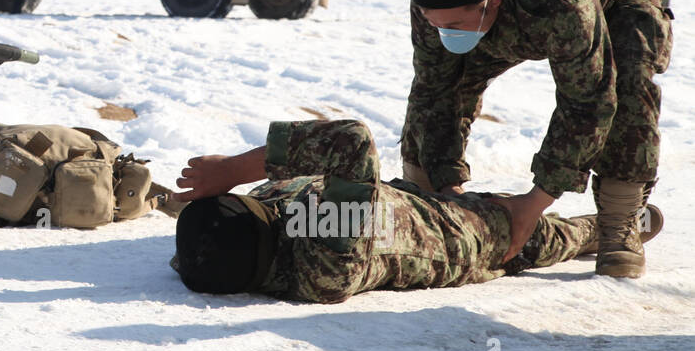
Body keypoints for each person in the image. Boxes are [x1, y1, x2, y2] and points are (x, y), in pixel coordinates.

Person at [399, 0, 671, 278]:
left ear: (491, 0)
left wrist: (534, 204)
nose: (447, 33)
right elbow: (435, 91)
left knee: (628, 83)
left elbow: (588, 100)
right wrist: (446, 182)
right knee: (444, 83)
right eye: (439, 24)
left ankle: (620, 224)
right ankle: (425, 189)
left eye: (457, 25)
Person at [171, 118, 662, 302]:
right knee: (542, 237)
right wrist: (233, 169)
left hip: (403, 199)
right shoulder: (324, 258)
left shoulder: (240, 254)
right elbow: (351, 139)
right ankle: (613, 228)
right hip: (461, 236)